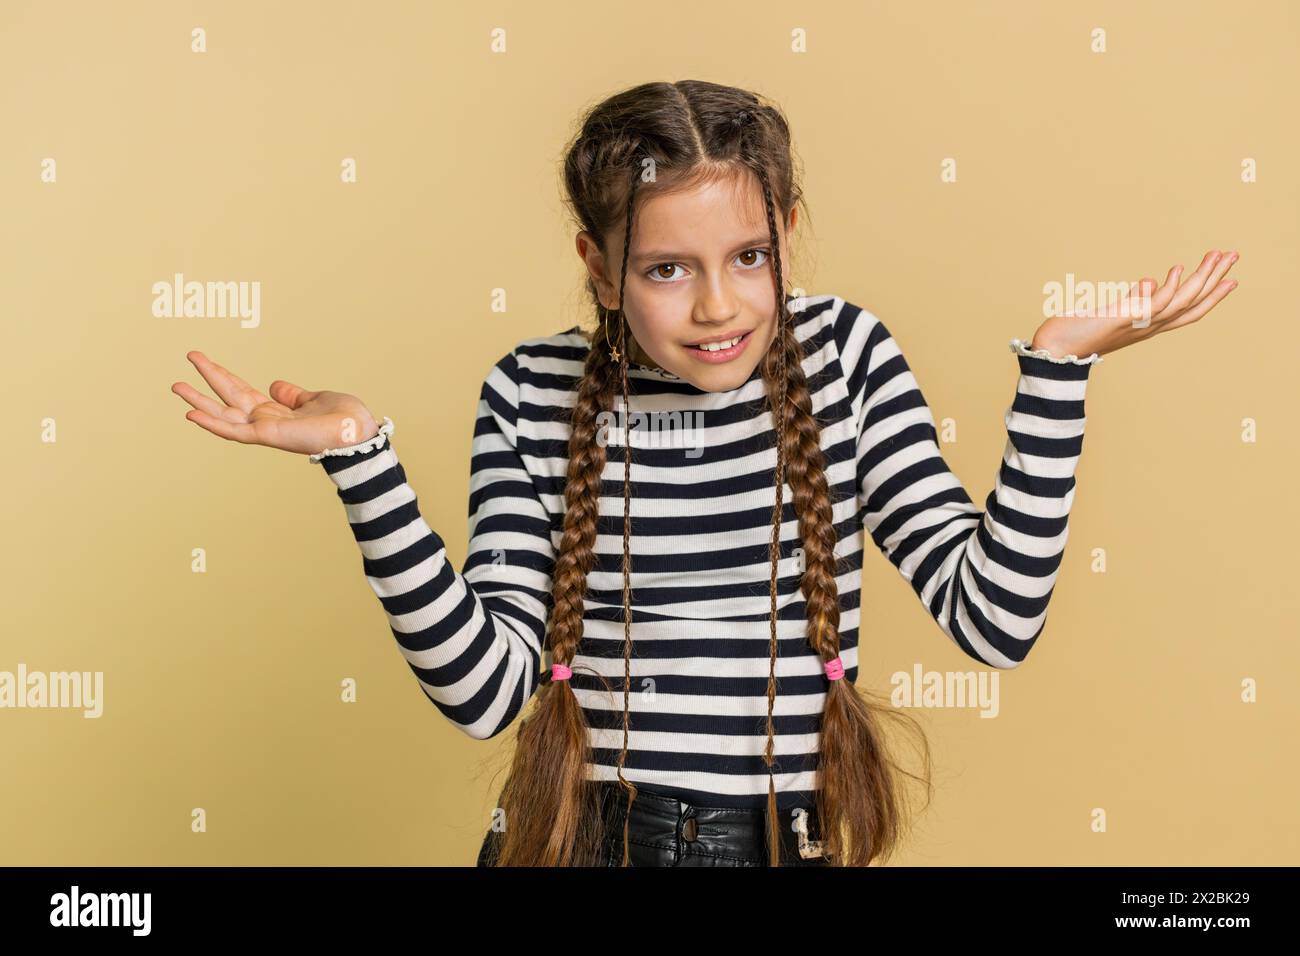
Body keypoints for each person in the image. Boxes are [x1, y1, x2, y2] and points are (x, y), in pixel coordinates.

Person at [170, 79, 1239, 867]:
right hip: (572, 841)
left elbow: (992, 620)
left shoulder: (846, 358)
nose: (719, 306)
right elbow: (485, 692)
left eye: (748, 257)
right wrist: (362, 461)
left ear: (782, 237)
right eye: (667, 269)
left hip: (780, 841)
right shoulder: (531, 390)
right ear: (597, 267)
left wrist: (1055, 371)